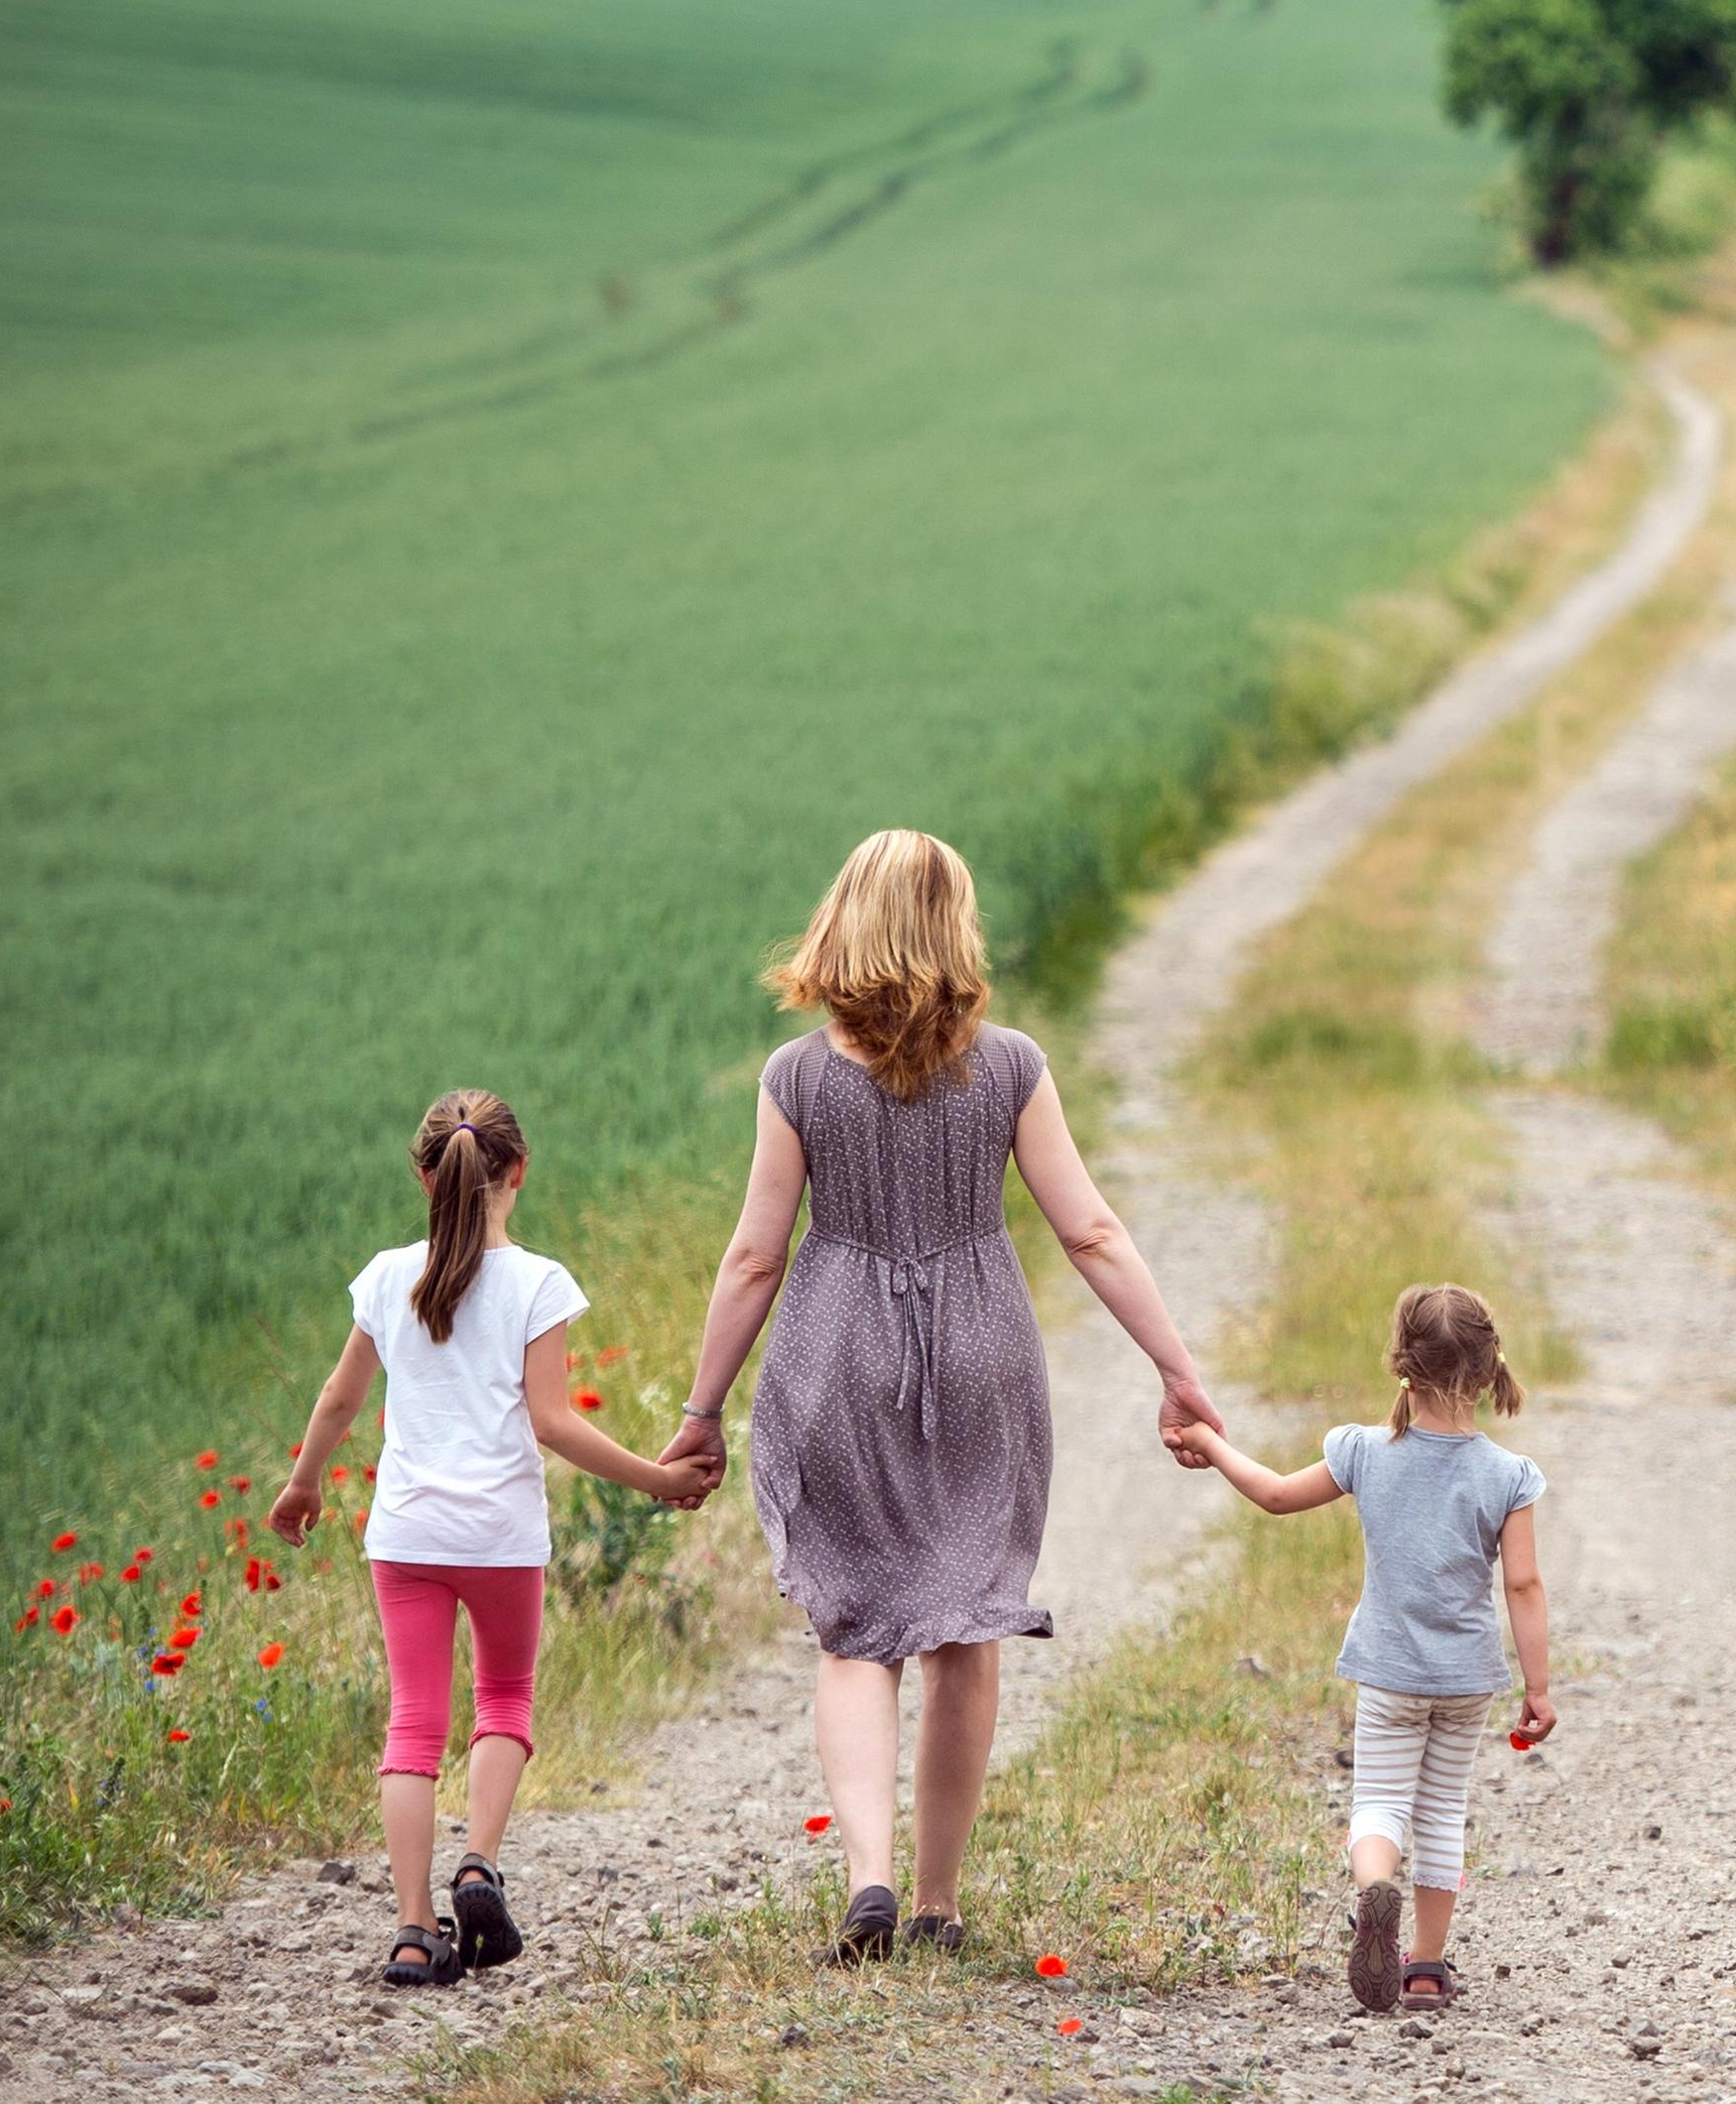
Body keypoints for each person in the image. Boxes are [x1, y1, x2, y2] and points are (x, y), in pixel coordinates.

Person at [652, 827, 1226, 1964]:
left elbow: (755, 1259)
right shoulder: (1010, 1066)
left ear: (843, 921)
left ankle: (866, 1877)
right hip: (981, 1358)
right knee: (965, 1626)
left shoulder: (796, 1078)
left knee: (854, 1631)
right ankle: (935, 1900)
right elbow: (1091, 1230)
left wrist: (701, 1411)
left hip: (835, 1359)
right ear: (955, 927)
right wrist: (1177, 1368)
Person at [269, 1088, 716, 1989]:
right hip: (502, 1538)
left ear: (424, 1176)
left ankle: (411, 1931)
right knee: (504, 1699)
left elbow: (341, 1397)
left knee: (412, 1724)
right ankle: (477, 1864)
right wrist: (658, 1478)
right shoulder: (537, 1282)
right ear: (519, 1171)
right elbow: (553, 1421)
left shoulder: (386, 1275)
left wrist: (305, 1479)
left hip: (407, 1535)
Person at [1170, 1283, 1555, 2015]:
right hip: (1465, 1678)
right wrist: (1537, 1687)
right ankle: (1425, 1968)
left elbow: (1275, 1494)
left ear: (1401, 1366)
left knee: (1380, 1801)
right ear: (1487, 1369)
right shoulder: (1508, 1475)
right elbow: (1524, 1583)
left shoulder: (1363, 1451)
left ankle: (1376, 1886)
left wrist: (1211, 1444)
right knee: (1441, 1812)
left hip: (1388, 1671)